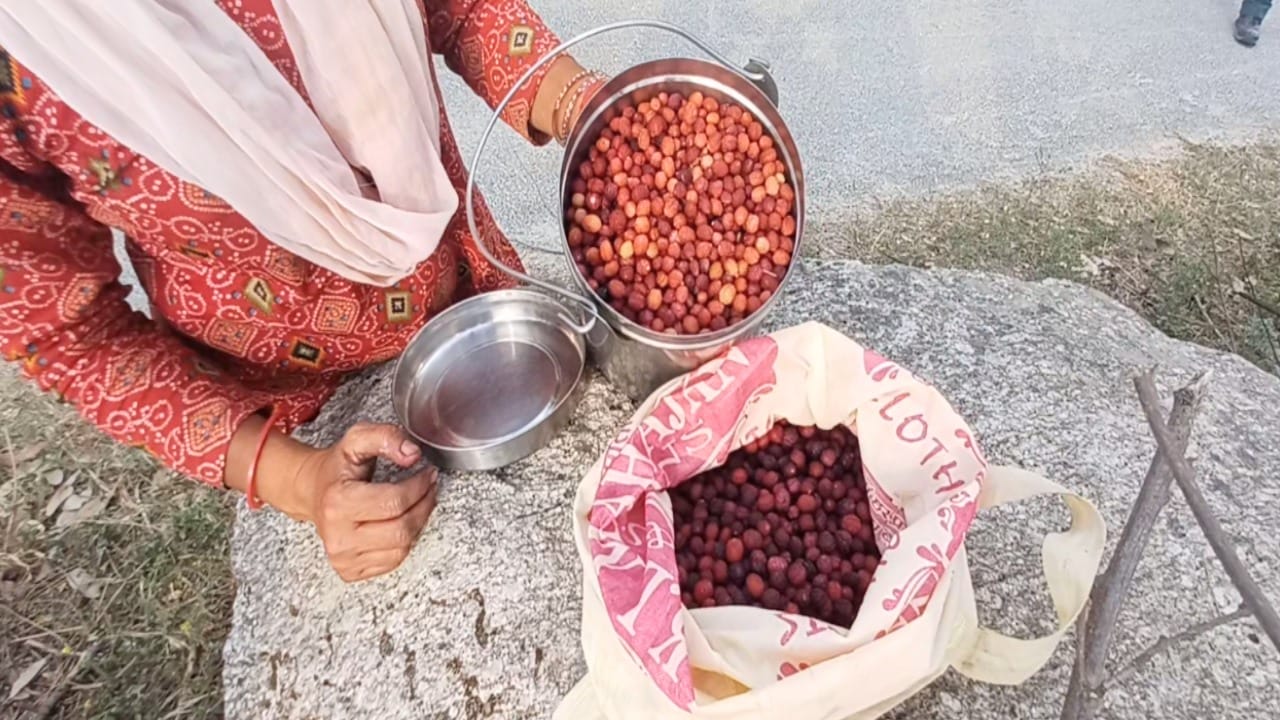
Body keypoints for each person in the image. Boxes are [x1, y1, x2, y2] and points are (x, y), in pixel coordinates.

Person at [0, 1, 603, 582]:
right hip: (297, 408)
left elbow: (464, 8)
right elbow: (66, 335)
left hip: (472, 300)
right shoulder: (21, 54)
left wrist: (588, 110)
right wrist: (301, 480)